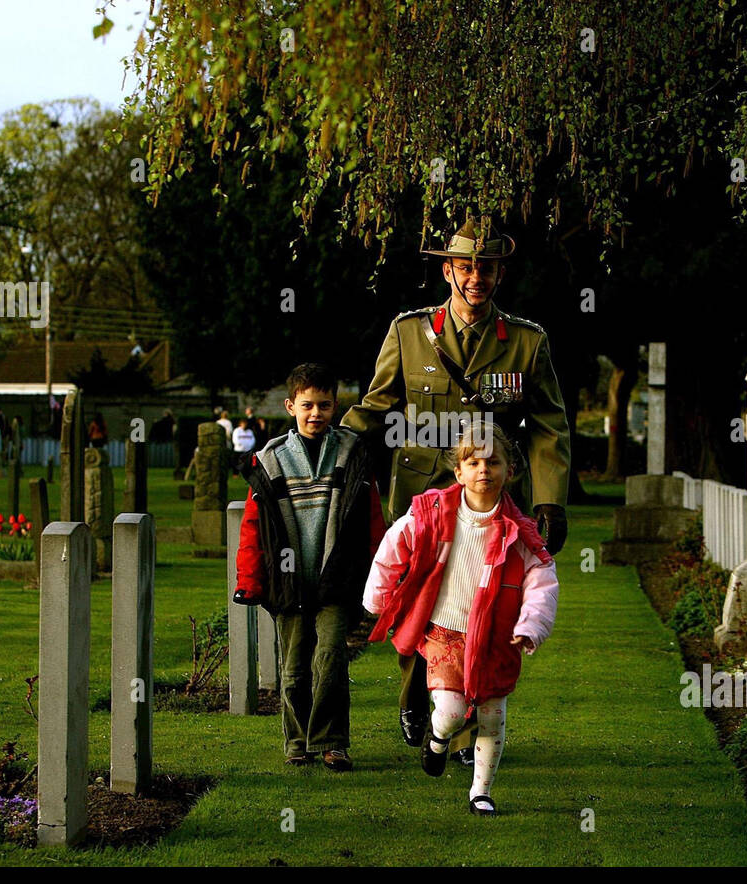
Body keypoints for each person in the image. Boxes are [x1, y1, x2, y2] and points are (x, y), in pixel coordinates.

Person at [341, 215, 571, 764]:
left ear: (498, 274)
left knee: (482, 608)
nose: (476, 278)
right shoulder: (408, 333)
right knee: (417, 602)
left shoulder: (525, 342)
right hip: (422, 493)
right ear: (447, 270)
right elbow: (377, 408)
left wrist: (549, 499)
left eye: (485, 269)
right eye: (465, 267)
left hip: (490, 495)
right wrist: (327, 447)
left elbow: (548, 424)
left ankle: (466, 732)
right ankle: (415, 698)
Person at [363, 421, 558, 816]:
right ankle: (437, 739)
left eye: (493, 462)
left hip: (496, 637)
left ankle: (481, 792)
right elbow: (391, 549)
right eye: (473, 462)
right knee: (451, 712)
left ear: (509, 470)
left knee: (491, 714)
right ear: (459, 471)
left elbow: (542, 582)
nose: (483, 470)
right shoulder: (431, 515)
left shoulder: (520, 534)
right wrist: (376, 601)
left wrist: (530, 626)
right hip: (443, 631)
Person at [233, 363, 385, 770]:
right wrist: (249, 581)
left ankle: (332, 741)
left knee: (331, 658)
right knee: (295, 668)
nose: (315, 414)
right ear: (290, 406)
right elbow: (253, 529)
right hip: (290, 582)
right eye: (307, 406)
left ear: (335, 406)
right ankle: (297, 741)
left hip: (337, 578)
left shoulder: (353, 454)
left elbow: (373, 521)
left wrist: (378, 575)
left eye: (324, 405)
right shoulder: (270, 461)